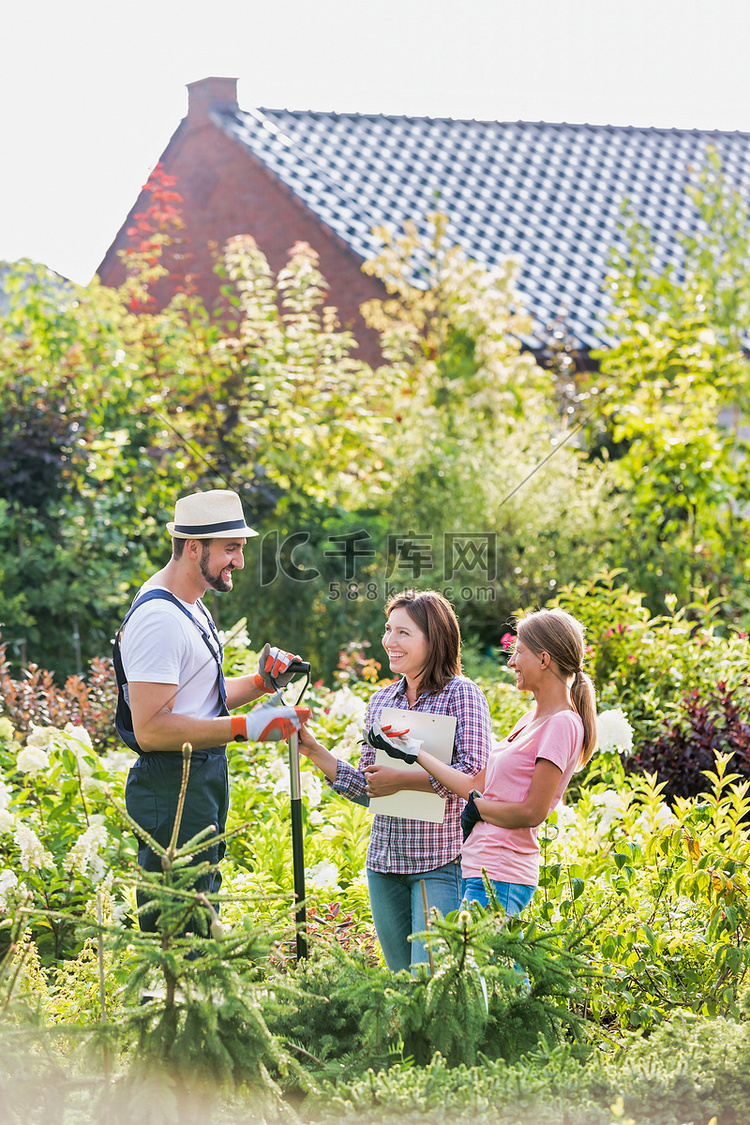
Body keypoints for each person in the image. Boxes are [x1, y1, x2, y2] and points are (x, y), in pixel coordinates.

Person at [114, 488, 310, 932]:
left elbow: (199, 695)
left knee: (203, 916)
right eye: (230, 549)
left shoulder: (191, 605)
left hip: (200, 777)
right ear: (193, 547)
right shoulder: (159, 619)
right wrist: (249, 728)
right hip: (173, 785)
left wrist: (263, 684)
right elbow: (151, 729)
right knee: (182, 936)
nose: (239, 562)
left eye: (239, 549)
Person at [299, 589, 491, 972]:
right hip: (384, 866)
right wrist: (315, 750)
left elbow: (475, 780)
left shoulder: (461, 695)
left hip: (437, 864)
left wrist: (403, 780)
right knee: (401, 987)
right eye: (388, 630)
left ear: (433, 638)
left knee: (430, 985)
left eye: (403, 633)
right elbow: (371, 788)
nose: (389, 641)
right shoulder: (382, 701)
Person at [378, 607, 597, 915]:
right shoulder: (529, 719)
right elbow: (473, 785)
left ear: (544, 659)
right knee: (481, 961)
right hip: (481, 867)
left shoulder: (562, 724)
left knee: (482, 962)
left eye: (518, 652)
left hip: (502, 872)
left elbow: (533, 812)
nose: (510, 662)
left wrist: (478, 809)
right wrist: (415, 752)